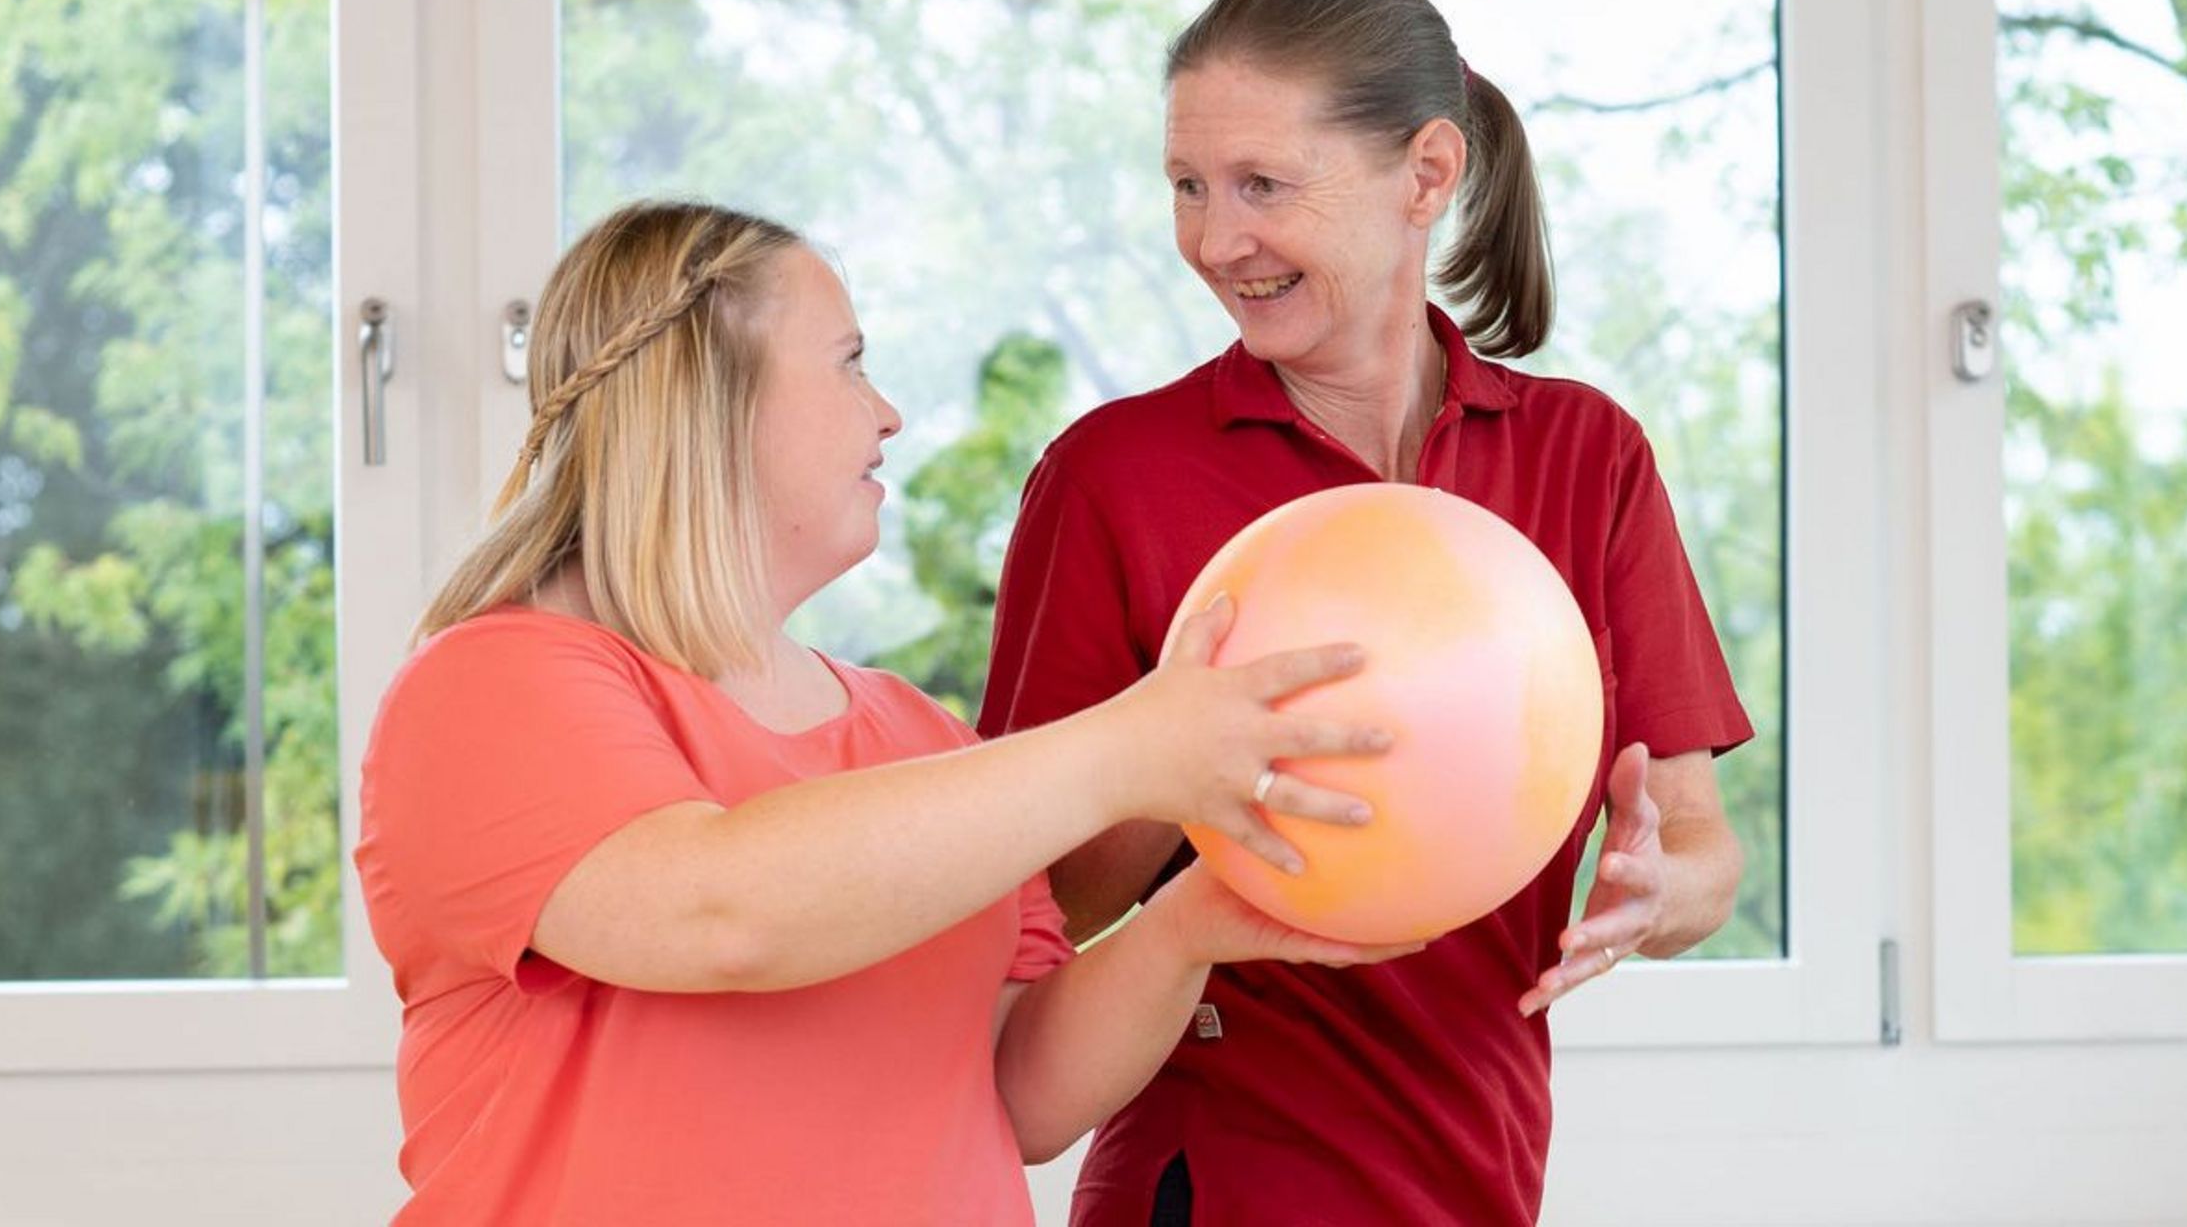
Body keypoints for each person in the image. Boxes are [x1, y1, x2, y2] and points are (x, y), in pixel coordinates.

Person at [352, 200, 1420, 1226]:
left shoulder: (915, 733)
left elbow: (1021, 1089)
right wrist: (1132, 746)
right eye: (850, 359)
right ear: (707, 393)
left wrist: (1196, 920)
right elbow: (720, 910)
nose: (888, 411)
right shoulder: (491, 685)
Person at [978, 0, 1755, 1225]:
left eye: (1262, 185)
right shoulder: (1115, 477)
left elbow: (1702, 847)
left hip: (1482, 1167)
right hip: (1213, 1178)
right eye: (1187, 186)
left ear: (1428, 174)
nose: (1216, 240)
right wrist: (1168, 758)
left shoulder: (1585, 456)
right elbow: (1033, 903)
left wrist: (1654, 892)